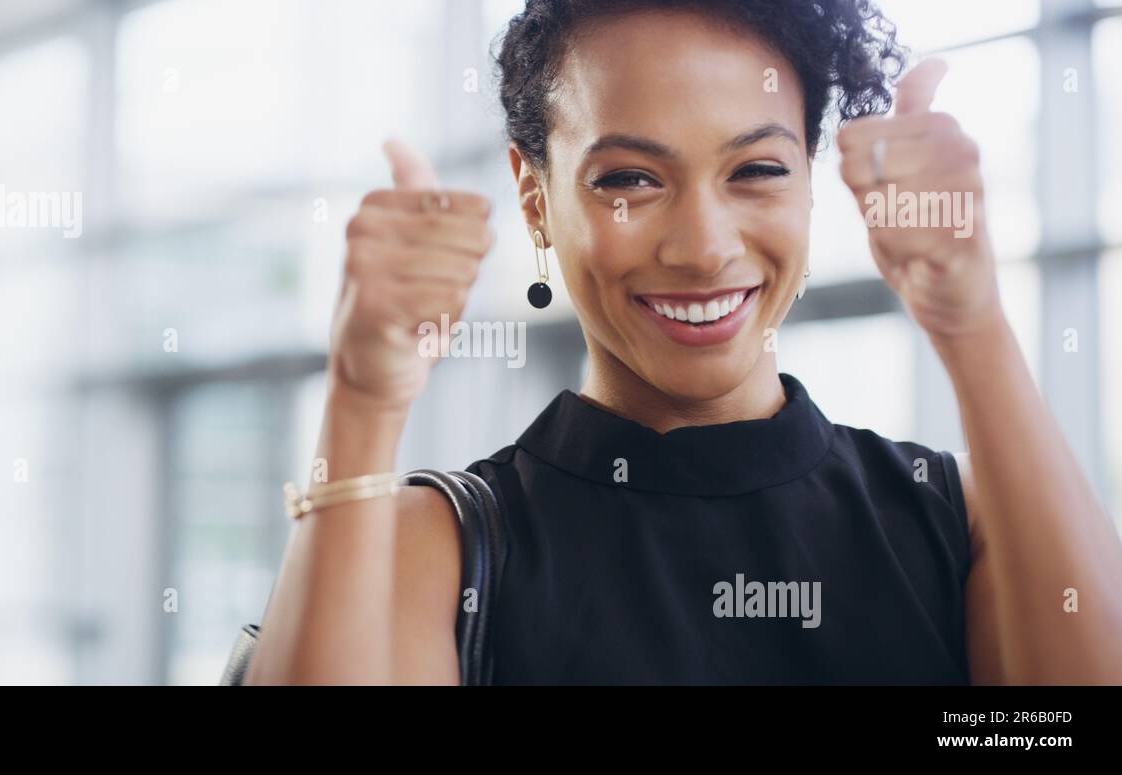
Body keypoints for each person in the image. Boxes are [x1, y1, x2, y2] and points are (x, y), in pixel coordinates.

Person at [246, 0, 1122, 684]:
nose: (703, 248)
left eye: (757, 170)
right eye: (630, 178)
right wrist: (363, 400)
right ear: (535, 195)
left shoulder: (954, 515)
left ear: (813, 178)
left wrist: (970, 322)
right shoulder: (440, 546)